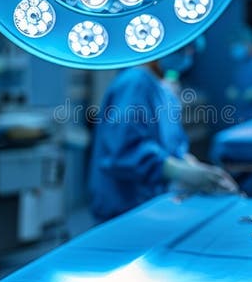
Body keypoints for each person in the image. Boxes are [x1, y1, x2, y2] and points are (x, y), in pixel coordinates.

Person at [89, 43, 237, 221]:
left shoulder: (164, 90)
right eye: (183, 48)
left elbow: (173, 145)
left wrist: (193, 166)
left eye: (191, 49)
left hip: (150, 204)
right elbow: (123, 150)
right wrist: (177, 170)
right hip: (123, 204)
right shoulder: (134, 83)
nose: (188, 55)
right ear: (163, 46)